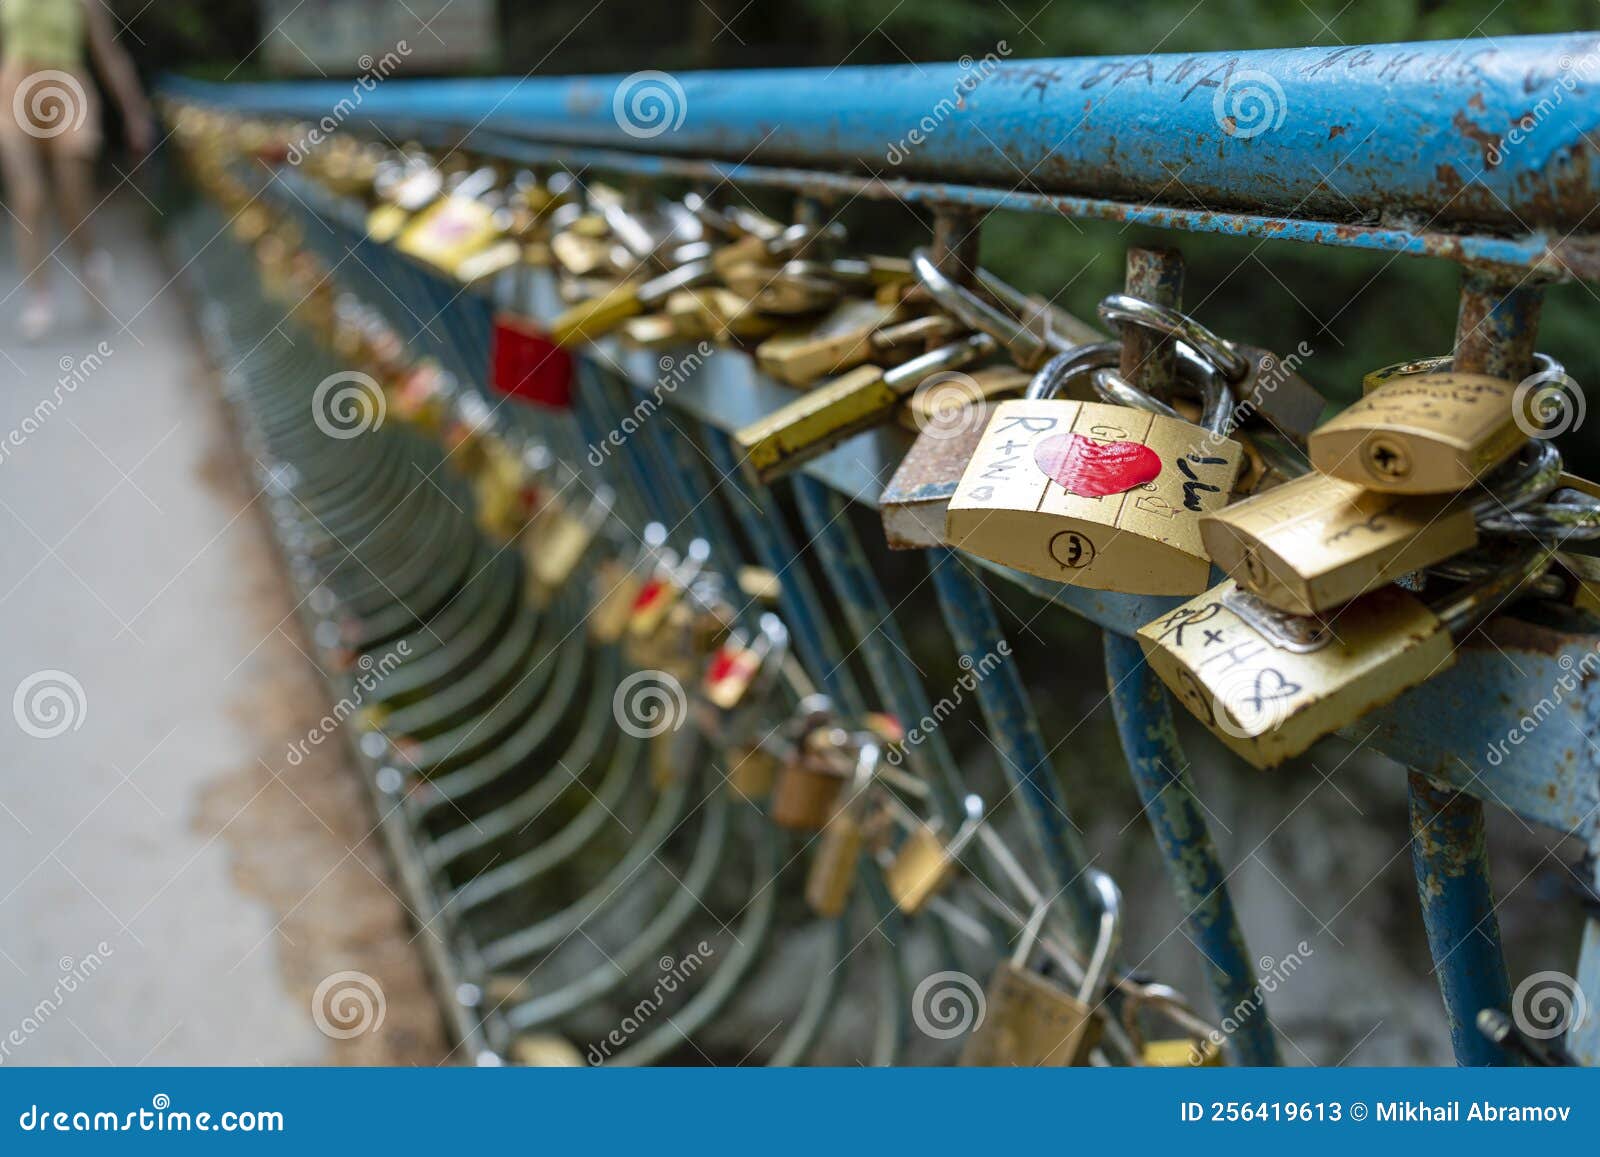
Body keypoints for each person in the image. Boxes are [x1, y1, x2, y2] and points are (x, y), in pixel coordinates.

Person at [0, 0, 151, 340]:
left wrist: (135, 114)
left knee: (72, 197)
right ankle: (39, 296)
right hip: (14, 90)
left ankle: (90, 260)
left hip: (65, 88)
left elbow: (109, 55)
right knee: (28, 197)